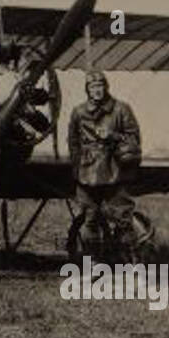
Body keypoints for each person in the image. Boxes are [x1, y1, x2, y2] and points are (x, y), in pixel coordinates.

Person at [66, 69, 141, 257]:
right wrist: (78, 165)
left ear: (106, 87)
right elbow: (73, 142)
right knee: (89, 219)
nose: (97, 90)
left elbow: (134, 139)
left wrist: (112, 136)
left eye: (100, 85)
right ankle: (92, 263)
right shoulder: (78, 112)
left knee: (123, 219)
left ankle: (132, 262)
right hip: (87, 172)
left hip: (114, 170)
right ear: (87, 90)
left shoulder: (121, 109)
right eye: (92, 86)